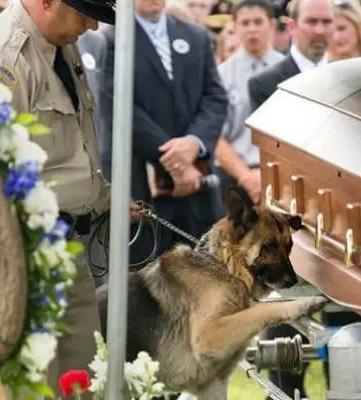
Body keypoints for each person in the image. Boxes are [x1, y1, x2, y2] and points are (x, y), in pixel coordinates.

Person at [0, 0, 138, 398]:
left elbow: (61, 155)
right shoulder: (5, 59)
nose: (93, 25)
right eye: (84, 12)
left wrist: (104, 198)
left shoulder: (56, 41)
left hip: (62, 245)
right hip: (25, 253)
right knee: (36, 382)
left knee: (79, 380)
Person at [99, 0, 228, 269]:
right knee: (145, 287)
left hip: (196, 185)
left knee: (205, 279)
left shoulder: (196, 36)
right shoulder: (111, 39)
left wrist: (193, 144)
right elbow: (118, 104)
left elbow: (215, 98)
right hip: (142, 186)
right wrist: (174, 158)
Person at [247, 0, 334, 396]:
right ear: (292, 26)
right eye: (312, 21)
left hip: (338, 224)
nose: (320, 29)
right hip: (290, 221)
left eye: (326, 22)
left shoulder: (343, 78)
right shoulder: (267, 82)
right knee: (288, 329)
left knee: (345, 325)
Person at [215, 0, 284, 205]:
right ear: (234, 27)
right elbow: (216, 136)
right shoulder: (221, 74)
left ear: (271, 25)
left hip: (282, 176)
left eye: (258, 22)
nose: (252, 29)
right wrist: (246, 176)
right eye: (245, 23)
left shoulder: (288, 70)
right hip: (235, 177)